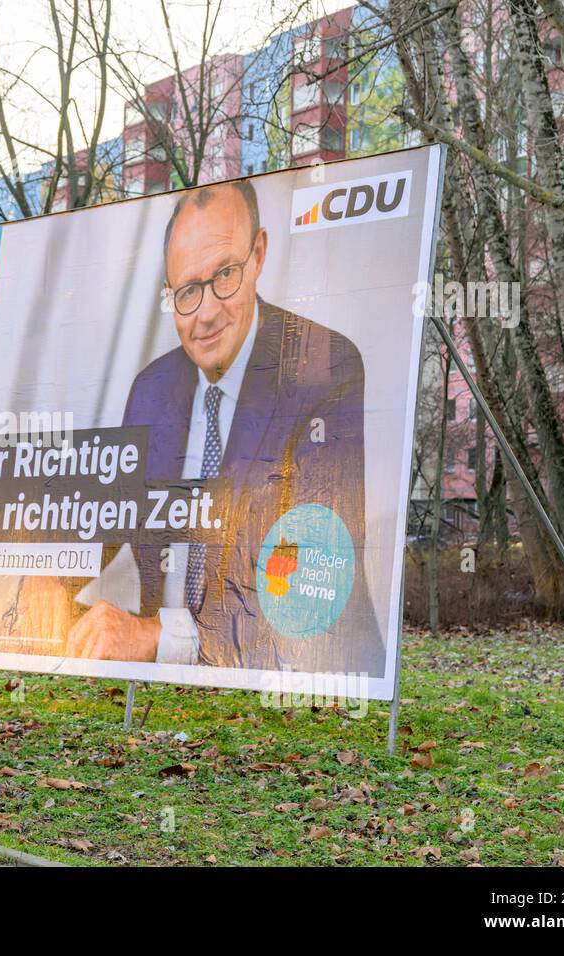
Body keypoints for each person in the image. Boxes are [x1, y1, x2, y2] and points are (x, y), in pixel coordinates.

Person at [63, 179, 384, 676]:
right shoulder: (151, 388)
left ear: (258, 255)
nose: (207, 312)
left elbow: (308, 579)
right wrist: (38, 579)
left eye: (226, 275)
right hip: (172, 697)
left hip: (306, 692)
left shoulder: (323, 367)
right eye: (188, 291)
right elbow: (109, 520)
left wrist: (158, 637)